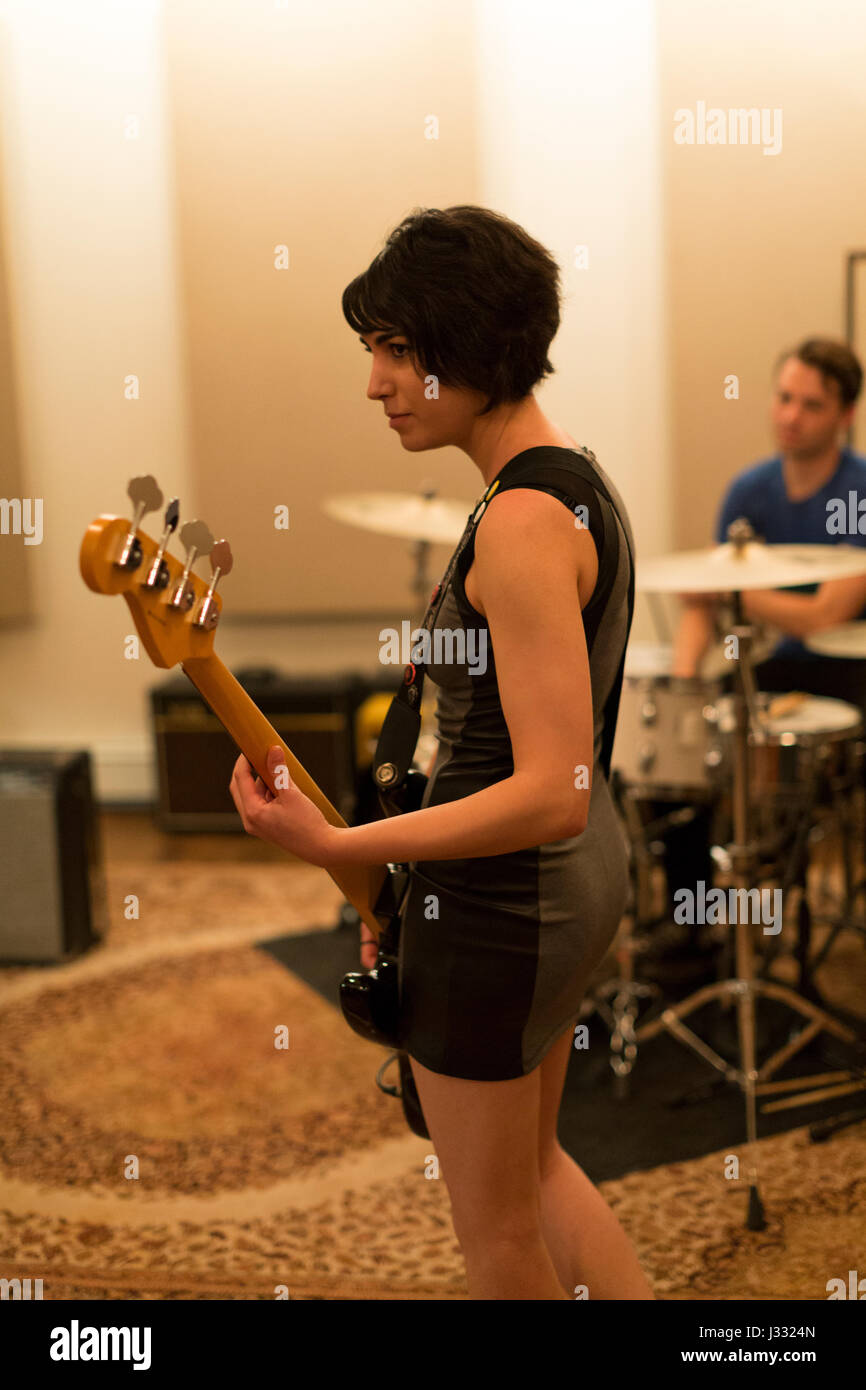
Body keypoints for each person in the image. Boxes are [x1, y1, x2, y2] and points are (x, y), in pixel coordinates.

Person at [228, 205, 654, 1300]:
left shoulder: (517, 523)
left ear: (476, 344)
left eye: (399, 350)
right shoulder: (575, 483)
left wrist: (340, 839)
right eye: (374, 349)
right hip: (565, 889)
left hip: (502, 907)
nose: (375, 382)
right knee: (540, 1165)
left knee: (497, 1236)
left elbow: (546, 793)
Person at [657, 339, 866, 946]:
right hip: (773, 669)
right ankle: (688, 922)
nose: (790, 415)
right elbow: (701, 604)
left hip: (849, 674)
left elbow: (825, 614)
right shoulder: (748, 490)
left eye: (811, 405)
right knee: (685, 743)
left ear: (844, 415)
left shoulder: (857, 491)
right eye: (783, 398)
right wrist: (681, 685)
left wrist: (731, 594)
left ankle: (785, 904)